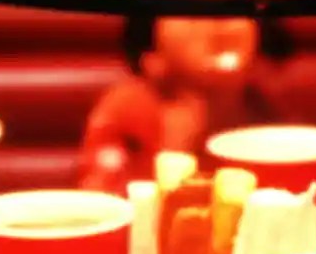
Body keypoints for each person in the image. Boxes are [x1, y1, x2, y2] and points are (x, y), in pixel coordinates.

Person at [78, 16, 293, 195]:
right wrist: (174, 150)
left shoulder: (264, 104)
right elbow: (98, 204)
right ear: (151, 51)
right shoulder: (128, 109)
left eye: (232, 7)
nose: (218, 24)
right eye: (193, 12)